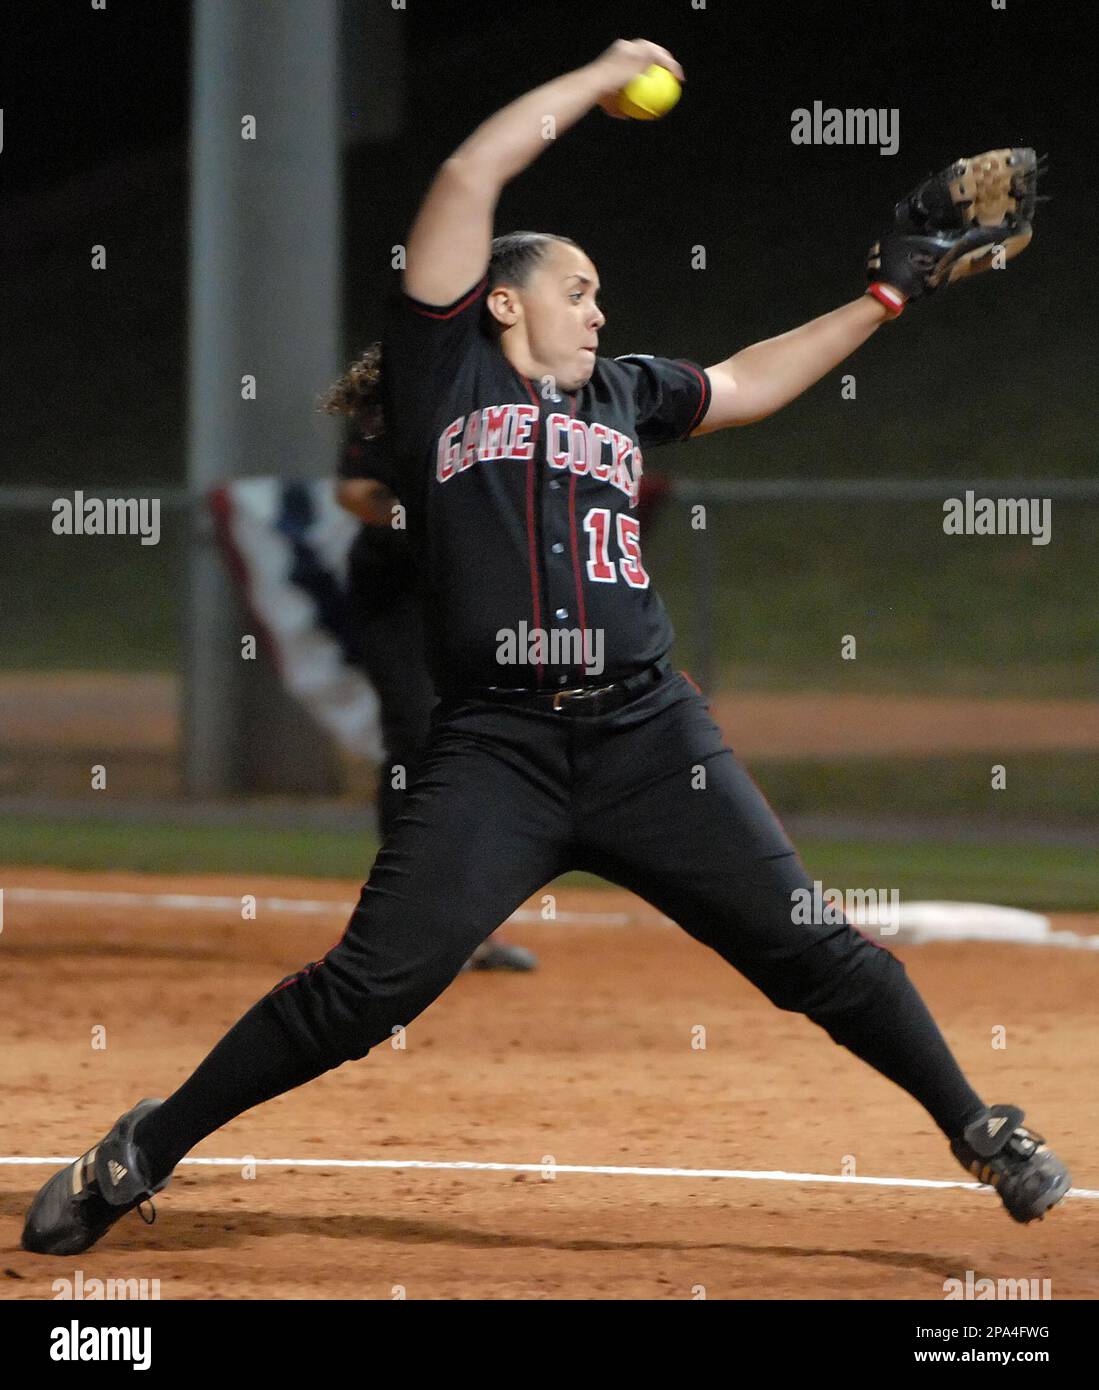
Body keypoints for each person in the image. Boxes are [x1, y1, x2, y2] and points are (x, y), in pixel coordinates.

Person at [22, 38, 1069, 1257]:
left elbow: (745, 383)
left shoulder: (623, 391)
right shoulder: (443, 378)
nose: (600, 308)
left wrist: (886, 296)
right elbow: (472, 172)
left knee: (814, 950)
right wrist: (601, 73)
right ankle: (137, 1150)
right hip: (496, 750)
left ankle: (978, 1127)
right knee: (369, 991)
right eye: (580, 290)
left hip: (646, 735)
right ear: (503, 301)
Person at [333, 426, 537, 972]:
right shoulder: (399, 389)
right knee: (418, 742)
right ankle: (402, 926)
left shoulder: (511, 389)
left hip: (477, 592)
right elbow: (354, 491)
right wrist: (428, 516)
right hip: (397, 596)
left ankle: (473, 926)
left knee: (485, 746)